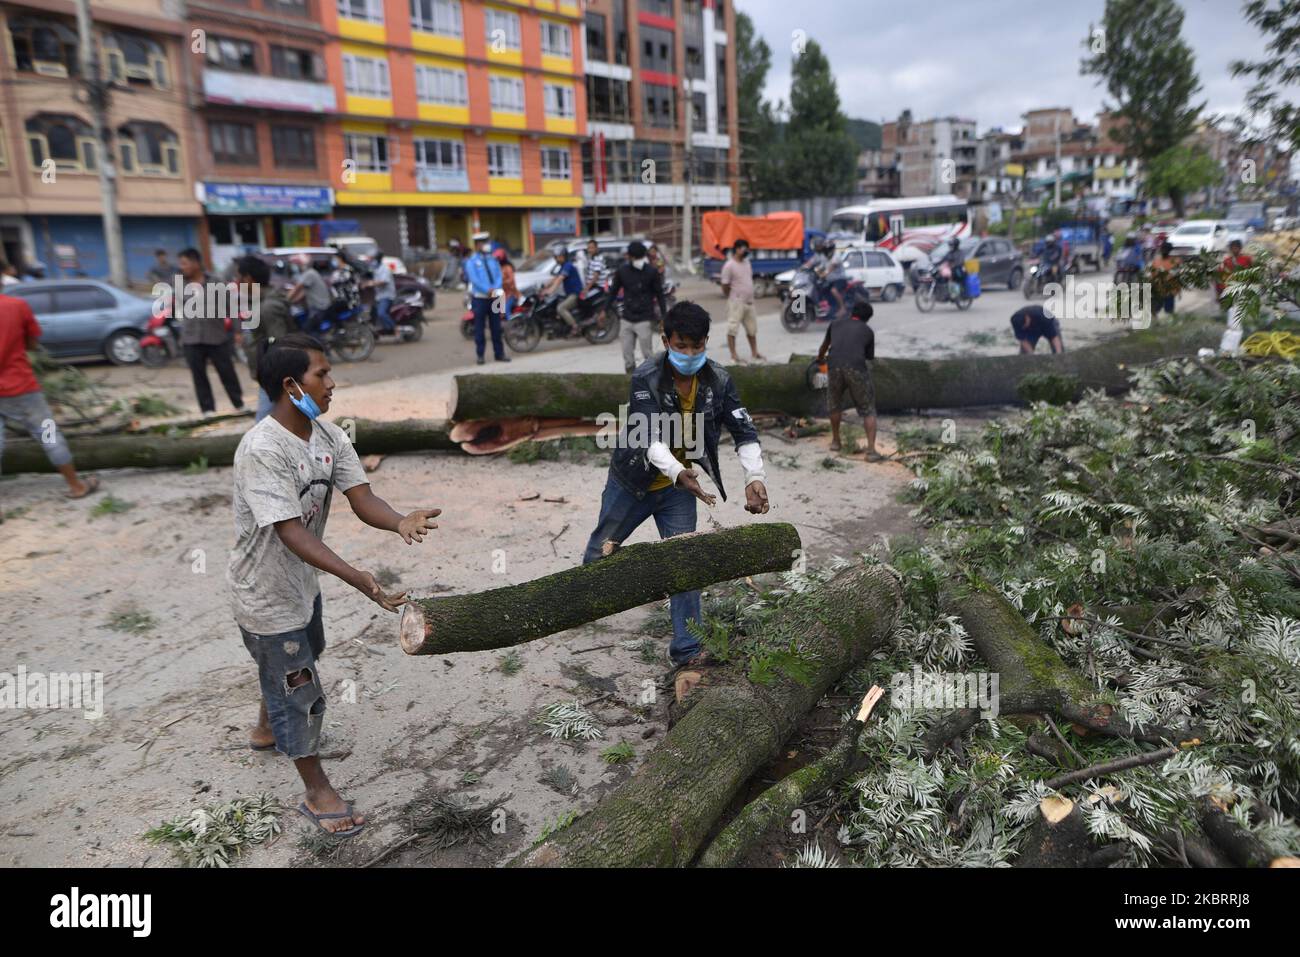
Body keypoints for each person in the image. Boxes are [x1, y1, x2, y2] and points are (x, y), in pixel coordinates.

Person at [230, 332, 440, 837]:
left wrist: (398, 521)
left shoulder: (328, 437)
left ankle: (265, 729)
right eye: (322, 374)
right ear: (290, 384)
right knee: (299, 688)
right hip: (265, 595)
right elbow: (290, 530)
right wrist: (359, 579)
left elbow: (361, 497)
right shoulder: (262, 448)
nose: (332, 383)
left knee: (302, 656)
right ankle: (317, 791)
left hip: (301, 586)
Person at [582, 301, 770, 668]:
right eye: (681, 346)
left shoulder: (719, 379)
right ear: (666, 340)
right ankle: (577, 607)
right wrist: (677, 470)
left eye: (697, 346)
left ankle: (685, 650)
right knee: (598, 554)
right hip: (632, 483)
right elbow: (648, 436)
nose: (689, 354)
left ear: (706, 342)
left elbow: (744, 431)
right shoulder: (646, 376)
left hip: (680, 492)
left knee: (686, 563)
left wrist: (755, 477)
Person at [0, 289, 100, 501]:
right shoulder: (16, 306)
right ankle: (76, 486)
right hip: (21, 387)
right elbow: (32, 344)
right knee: (49, 435)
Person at [177, 247, 245, 417]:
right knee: (199, 375)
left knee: (227, 371)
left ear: (196, 263)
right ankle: (207, 409)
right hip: (191, 338)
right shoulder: (180, 284)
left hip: (216, 336)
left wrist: (237, 331)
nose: (182, 267)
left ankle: (239, 404)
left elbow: (231, 307)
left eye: (184, 263)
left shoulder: (216, 281)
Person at [816, 299, 880, 461]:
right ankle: (871, 451)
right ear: (867, 318)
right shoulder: (867, 331)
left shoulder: (835, 324)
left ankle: (836, 442)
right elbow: (869, 357)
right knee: (868, 409)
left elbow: (823, 347)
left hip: (834, 366)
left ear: (852, 313)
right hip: (856, 368)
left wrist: (820, 360)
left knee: (834, 405)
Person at [235, 255, 294, 421]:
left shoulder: (268, 307)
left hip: (274, 377)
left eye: (238, 277)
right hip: (268, 376)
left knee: (262, 427)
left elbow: (281, 346)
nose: (237, 282)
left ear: (248, 279)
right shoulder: (260, 302)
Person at [608, 240, 666, 373]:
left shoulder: (651, 272)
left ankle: (651, 379)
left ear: (631, 256)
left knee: (647, 354)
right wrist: (604, 310)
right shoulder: (622, 271)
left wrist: (664, 316)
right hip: (627, 318)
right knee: (627, 354)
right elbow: (613, 291)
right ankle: (630, 379)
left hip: (644, 319)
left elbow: (660, 295)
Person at [464, 231, 509, 364]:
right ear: (478, 245)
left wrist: (495, 288)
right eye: (484, 243)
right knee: (479, 328)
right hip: (480, 299)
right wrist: (487, 289)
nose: (487, 245)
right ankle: (480, 356)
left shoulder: (493, 259)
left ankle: (499, 354)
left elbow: (499, 276)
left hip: (495, 297)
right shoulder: (471, 261)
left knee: (496, 327)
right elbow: (474, 279)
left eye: (487, 242)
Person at [720, 239, 764, 362]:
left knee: (752, 329)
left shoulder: (747, 263)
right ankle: (734, 355)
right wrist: (733, 296)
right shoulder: (729, 265)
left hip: (750, 302)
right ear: (737, 249)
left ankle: (755, 353)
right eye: (743, 248)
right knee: (732, 329)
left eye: (746, 248)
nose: (746, 251)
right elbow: (725, 285)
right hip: (736, 303)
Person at [543, 246, 583, 336]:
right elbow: (555, 278)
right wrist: (545, 287)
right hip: (569, 294)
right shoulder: (563, 266)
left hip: (575, 294)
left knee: (561, 308)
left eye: (558, 257)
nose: (557, 259)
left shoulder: (568, 266)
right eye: (556, 257)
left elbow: (560, 279)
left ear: (564, 256)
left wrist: (550, 290)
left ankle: (575, 327)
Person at [288, 255, 333, 334]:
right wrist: (293, 301)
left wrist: (285, 300)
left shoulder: (309, 274)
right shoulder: (311, 273)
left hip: (319, 308)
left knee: (306, 331)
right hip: (319, 307)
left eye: (296, 264)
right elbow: (303, 293)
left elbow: (297, 289)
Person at [366, 251, 396, 334]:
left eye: (373, 259)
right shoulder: (375, 269)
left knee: (381, 313)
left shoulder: (384, 269)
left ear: (377, 259)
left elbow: (384, 281)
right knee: (371, 314)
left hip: (386, 296)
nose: (372, 261)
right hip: (379, 296)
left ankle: (395, 329)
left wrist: (371, 283)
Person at [1148, 241, 1179, 315]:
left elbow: (1151, 277)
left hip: (1164, 290)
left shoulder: (1156, 262)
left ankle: (1157, 322)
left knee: (1157, 309)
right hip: (1165, 290)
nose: (1164, 251)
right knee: (1165, 310)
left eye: (1164, 249)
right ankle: (1160, 322)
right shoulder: (1174, 261)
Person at [493, 247, 519, 321]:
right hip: (499, 294)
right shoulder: (496, 267)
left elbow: (511, 280)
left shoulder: (508, 267)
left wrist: (502, 283)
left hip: (510, 294)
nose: (497, 260)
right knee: (494, 309)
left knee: (507, 310)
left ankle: (510, 326)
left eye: (498, 259)